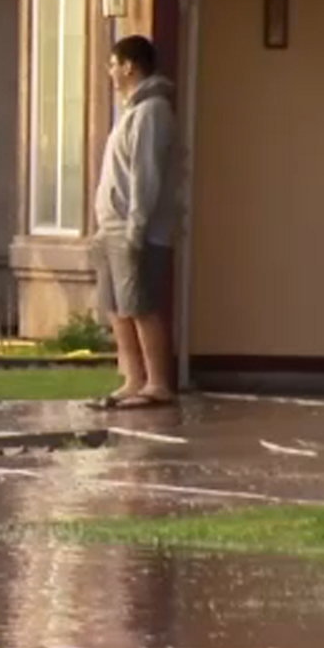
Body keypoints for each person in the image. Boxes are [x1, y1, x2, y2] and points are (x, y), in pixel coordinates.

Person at [88, 35, 179, 410]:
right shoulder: (129, 110)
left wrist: (136, 227)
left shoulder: (152, 111)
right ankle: (133, 378)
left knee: (140, 303)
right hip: (110, 225)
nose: (110, 72)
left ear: (129, 65)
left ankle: (158, 382)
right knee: (116, 305)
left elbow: (146, 174)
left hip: (133, 227)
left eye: (113, 64)